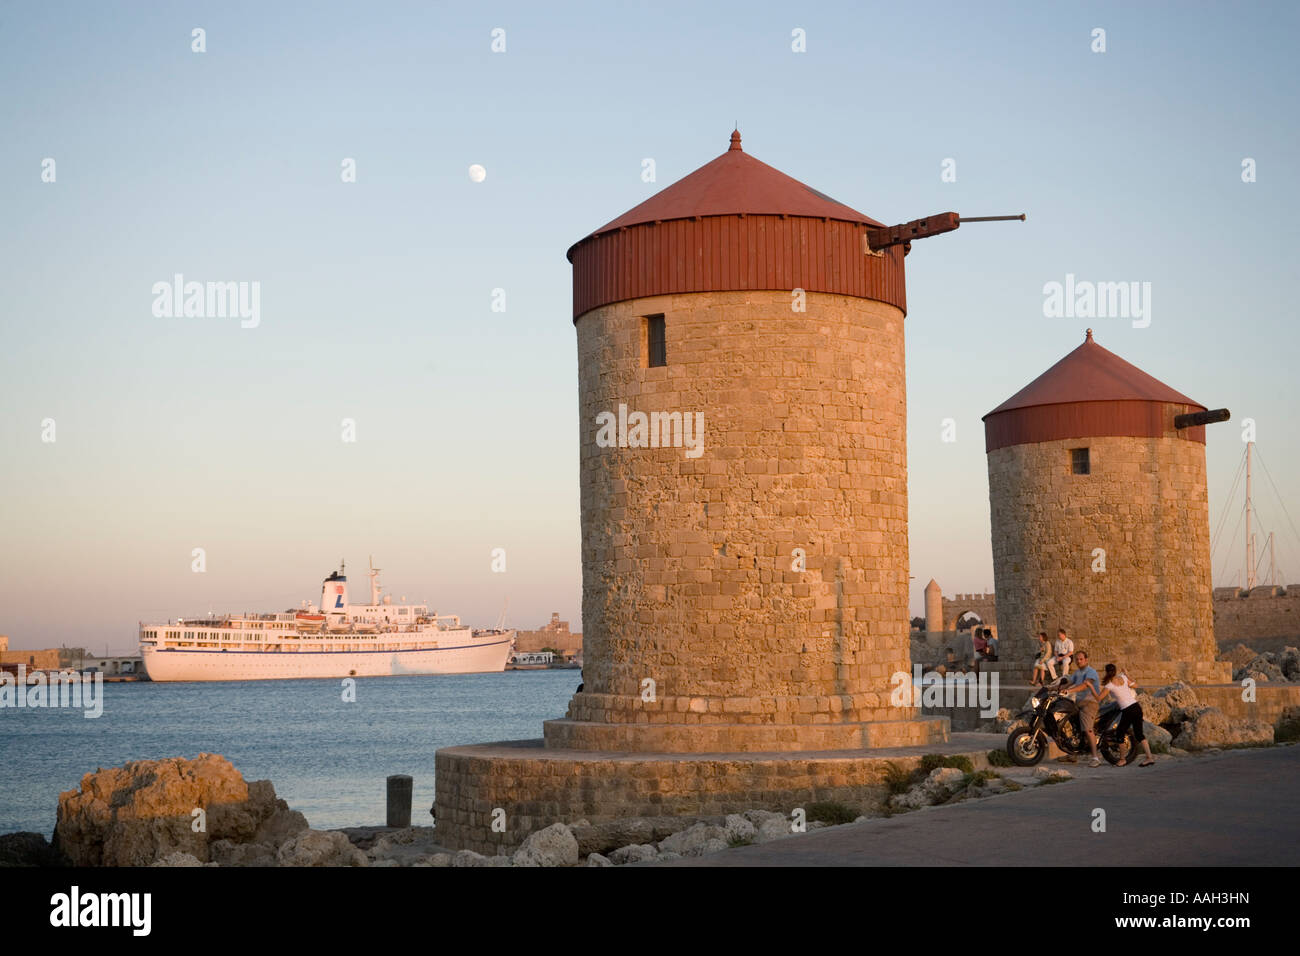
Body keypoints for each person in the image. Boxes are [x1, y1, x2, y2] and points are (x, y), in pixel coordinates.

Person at [1098, 664, 1155, 767]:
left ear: (1106, 672)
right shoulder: (1123, 678)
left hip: (1128, 710)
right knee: (1139, 734)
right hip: (1136, 707)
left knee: (1119, 734)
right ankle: (1149, 757)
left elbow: (1099, 698)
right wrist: (1127, 674)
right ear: (1115, 671)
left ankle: (1122, 759)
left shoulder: (1109, 685)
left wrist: (1091, 688)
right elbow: (1136, 685)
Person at [1060, 650, 1102, 767]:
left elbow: (1084, 686)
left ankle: (1095, 758)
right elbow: (1068, 683)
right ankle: (1073, 754)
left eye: (1081, 659)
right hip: (1079, 703)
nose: (1078, 661)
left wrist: (1069, 691)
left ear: (1086, 660)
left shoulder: (1091, 672)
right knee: (1073, 727)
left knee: (1088, 729)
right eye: (1077, 659)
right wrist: (1052, 688)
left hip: (1089, 703)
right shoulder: (1077, 673)